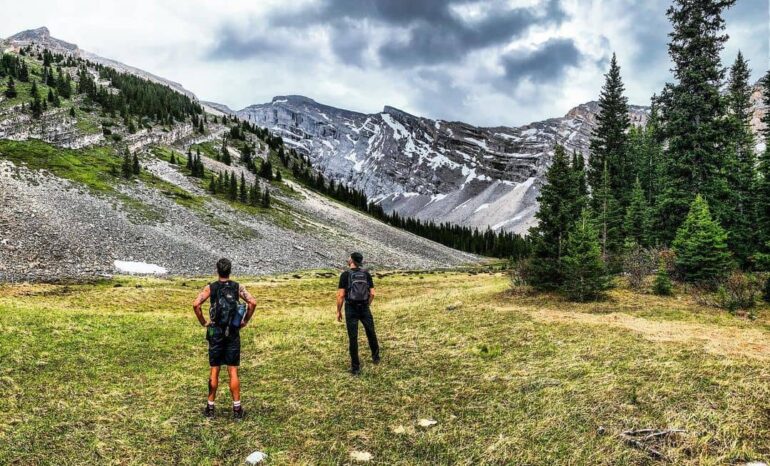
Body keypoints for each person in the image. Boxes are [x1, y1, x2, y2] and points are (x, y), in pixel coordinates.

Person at [192, 258, 257, 419]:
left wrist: (204, 322)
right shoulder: (237, 287)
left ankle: (210, 408)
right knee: (232, 370)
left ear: (217, 270)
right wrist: (244, 321)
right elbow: (252, 302)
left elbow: (196, 305)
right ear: (229, 270)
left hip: (216, 332)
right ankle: (237, 409)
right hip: (233, 332)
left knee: (215, 369)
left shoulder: (211, 288)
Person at [336, 252, 380, 375]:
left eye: (349, 257)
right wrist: (367, 305)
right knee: (371, 331)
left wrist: (338, 311)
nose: (348, 259)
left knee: (353, 337)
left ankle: (355, 367)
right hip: (364, 307)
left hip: (351, 308)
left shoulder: (345, 275)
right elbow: (372, 293)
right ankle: (376, 357)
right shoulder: (366, 274)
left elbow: (341, 295)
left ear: (352, 260)